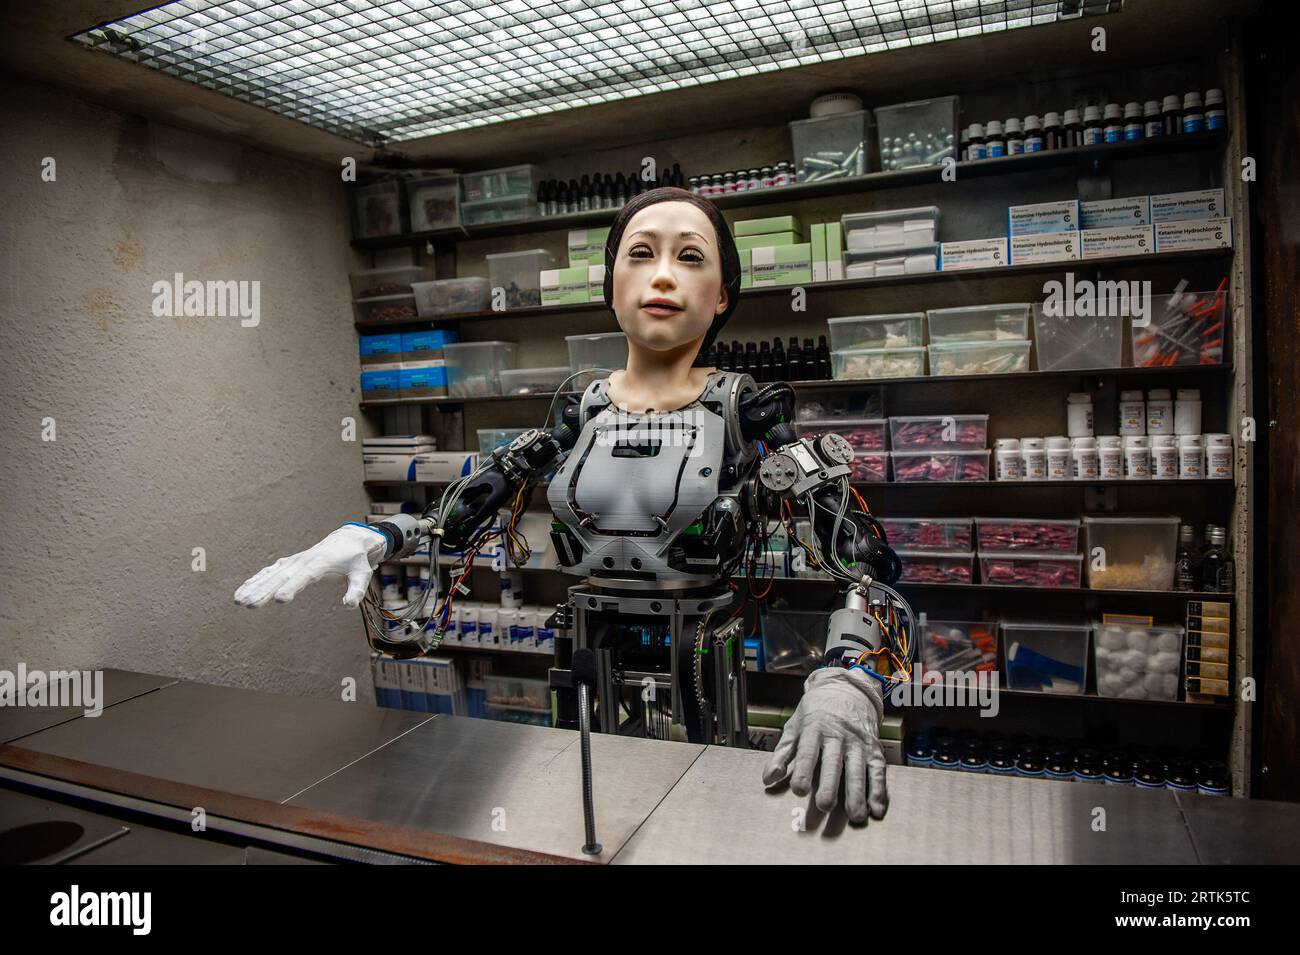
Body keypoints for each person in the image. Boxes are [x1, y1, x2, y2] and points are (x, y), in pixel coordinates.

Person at [235, 186, 898, 824]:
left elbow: (866, 563)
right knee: (582, 798)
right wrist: (381, 535)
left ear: (722, 293)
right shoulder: (582, 407)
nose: (662, 275)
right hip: (586, 640)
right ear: (611, 284)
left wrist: (850, 675)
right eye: (640, 253)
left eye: (690, 256)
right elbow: (469, 507)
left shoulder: (744, 407)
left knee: (707, 802)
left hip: (701, 644)